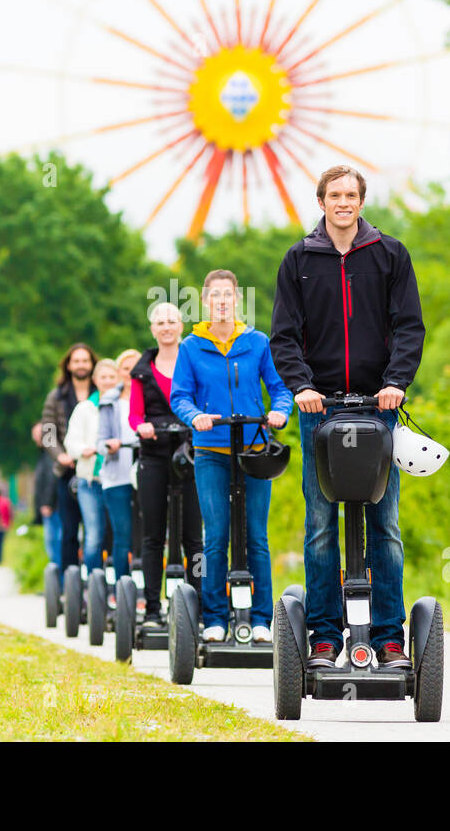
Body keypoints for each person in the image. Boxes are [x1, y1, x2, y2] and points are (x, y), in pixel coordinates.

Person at [270, 164, 426, 671]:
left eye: (351, 194)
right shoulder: (299, 259)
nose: (343, 202)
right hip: (321, 409)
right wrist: (302, 386)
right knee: (319, 524)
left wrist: (396, 383)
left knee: (386, 524)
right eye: (334, 194)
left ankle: (387, 637)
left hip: (380, 408)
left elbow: (409, 326)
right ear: (321, 202)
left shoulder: (389, 255)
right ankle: (322, 636)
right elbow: (285, 336)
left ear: (361, 201)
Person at [170, 270, 292, 644]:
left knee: (256, 535)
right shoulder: (191, 347)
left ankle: (260, 619)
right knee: (216, 535)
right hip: (211, 450)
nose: (222, 301)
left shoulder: (256, 342)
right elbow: (181, 396)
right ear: (205, 301)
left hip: (253, 448)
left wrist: (280, 411)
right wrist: (196, 417)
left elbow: (279, 388)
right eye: (215, 296)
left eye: (228, 295)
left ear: (237, 300)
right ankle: (215, 617)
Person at [129, 302, 204, 626]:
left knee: (194, 535)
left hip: (189, 451)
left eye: (172, 321)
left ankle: (200, 607)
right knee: (153, 535)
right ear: (153, 330)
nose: (166, 327)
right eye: (160, 322)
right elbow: (134, 413)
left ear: (181, 326)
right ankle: (153, 608)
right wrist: (140, 426)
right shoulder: (141, 371)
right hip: (155, 451)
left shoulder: (195, 362)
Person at [40, 343, 96, 572]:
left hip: (96, 469)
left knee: (97, 530)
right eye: (77, 361)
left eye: (85, 360)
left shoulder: (101, 393)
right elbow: (48, 431)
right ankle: (69, 582)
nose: (81, 365)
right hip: (68, 470)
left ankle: (98, 580)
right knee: (69, 530)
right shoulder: (57, 396)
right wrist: (61, 455)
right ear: (69, 365)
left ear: (92, 364)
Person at [63, 359, 121, 575]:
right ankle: (91, 582)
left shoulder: (123, 405)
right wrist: (77, 451)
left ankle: (118, 583)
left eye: (111, 377)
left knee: (118, 534)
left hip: (117, 479)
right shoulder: (82, 407)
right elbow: (60, 436)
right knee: (93, 534)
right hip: (90, 479)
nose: (107, 381)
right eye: (103, 377)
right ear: (95, 380)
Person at [94, 353, 140, 580]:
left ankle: (145, 588)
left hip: (143, 472)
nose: (131, 373)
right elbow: (100, 441)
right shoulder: (110, 401)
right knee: (122, 533)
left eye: (135, 367)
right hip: (116, 475)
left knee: (145, 535)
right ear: (119, 372)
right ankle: (122, 587)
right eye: (125, 368)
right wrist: (108, 445)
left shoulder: (150, 397)